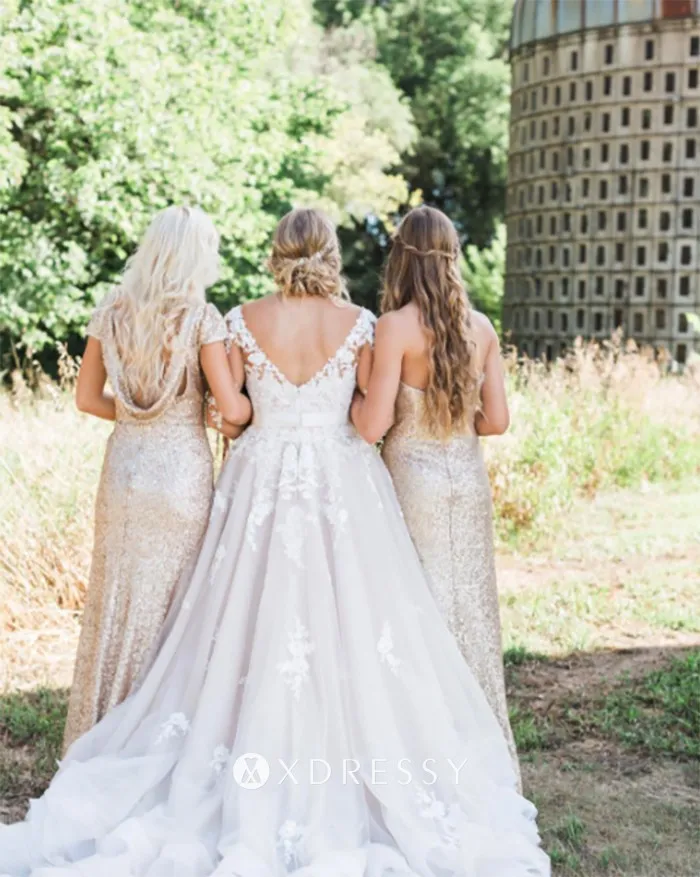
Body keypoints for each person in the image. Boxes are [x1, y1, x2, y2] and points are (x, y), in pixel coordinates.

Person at [0, 208, 548, 877]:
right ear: (329, 255)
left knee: (241, 621)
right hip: (342, 481)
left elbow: (231, 415)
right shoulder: (362, 325)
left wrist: (253, 422)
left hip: (258, 481)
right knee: (356, 621)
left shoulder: (238, 320)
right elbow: (369, 419)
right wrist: (336, 417)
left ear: (277, 254)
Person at [62, 205, 251, 751]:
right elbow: (231, 410)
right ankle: (155, 742)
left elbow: (86, 398)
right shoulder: (202, 319)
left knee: (116, 599)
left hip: (123, 471)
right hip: (181, 476)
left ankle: (101, 731)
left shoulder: (111, 310)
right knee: (177, 607)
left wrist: (135, 417)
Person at [351, 205, 519, 779]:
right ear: (452, 256)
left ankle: (421, 750)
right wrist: (452, 420)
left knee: (415, 608)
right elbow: (496, 421)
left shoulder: (394, 328)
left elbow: (371, 428)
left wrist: (354, 394)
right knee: (469, 608)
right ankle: (480, 748)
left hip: (412, 485)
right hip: (466, 483)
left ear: (401, 257)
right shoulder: (482, 328)